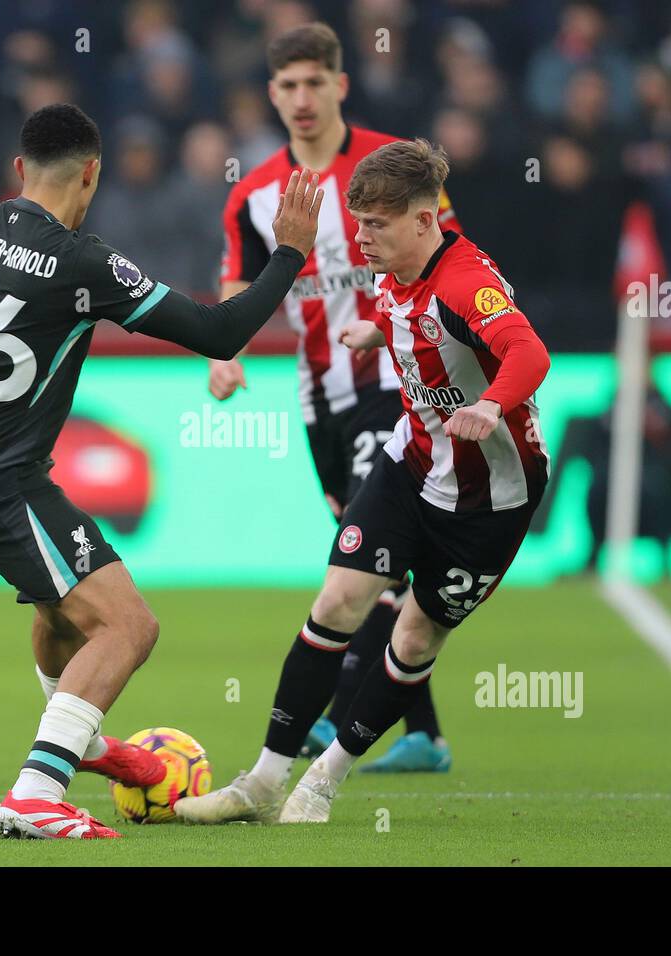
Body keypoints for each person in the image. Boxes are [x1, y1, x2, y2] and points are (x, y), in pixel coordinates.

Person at [0, 103, 323, 839]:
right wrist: (287, 253)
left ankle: (79, 740)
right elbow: (221, 329)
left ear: (20, 169)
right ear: (92, 173)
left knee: (60, 616)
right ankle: (37, 789)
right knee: (130, 628)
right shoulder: (85, 264)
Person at [178, 139, 550, 825]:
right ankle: (262, 783)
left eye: (375, 225)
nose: (361, 238)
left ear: (423, 219)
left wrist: (492, 404)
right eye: (358, 223)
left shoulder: (467, 280)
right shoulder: (391, 271)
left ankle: (323, 780)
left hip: (489, 501)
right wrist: (377, 332)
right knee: (339, 601)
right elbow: (408, 317)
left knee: (413, 642)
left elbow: (527, 349)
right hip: (409, 465)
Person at [210, 21, 459, 773]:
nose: (302, 97)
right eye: (287, 85)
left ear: (340, 85)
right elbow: (239, 284)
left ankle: (335, 717)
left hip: (395, 382)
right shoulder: (255, 195)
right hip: (318, 397)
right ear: (271, 95)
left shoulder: (393, 168)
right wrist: (228, 352)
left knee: (360, 561)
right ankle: (423, 735)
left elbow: (450, 253)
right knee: (384, 561)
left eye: (315, 81)